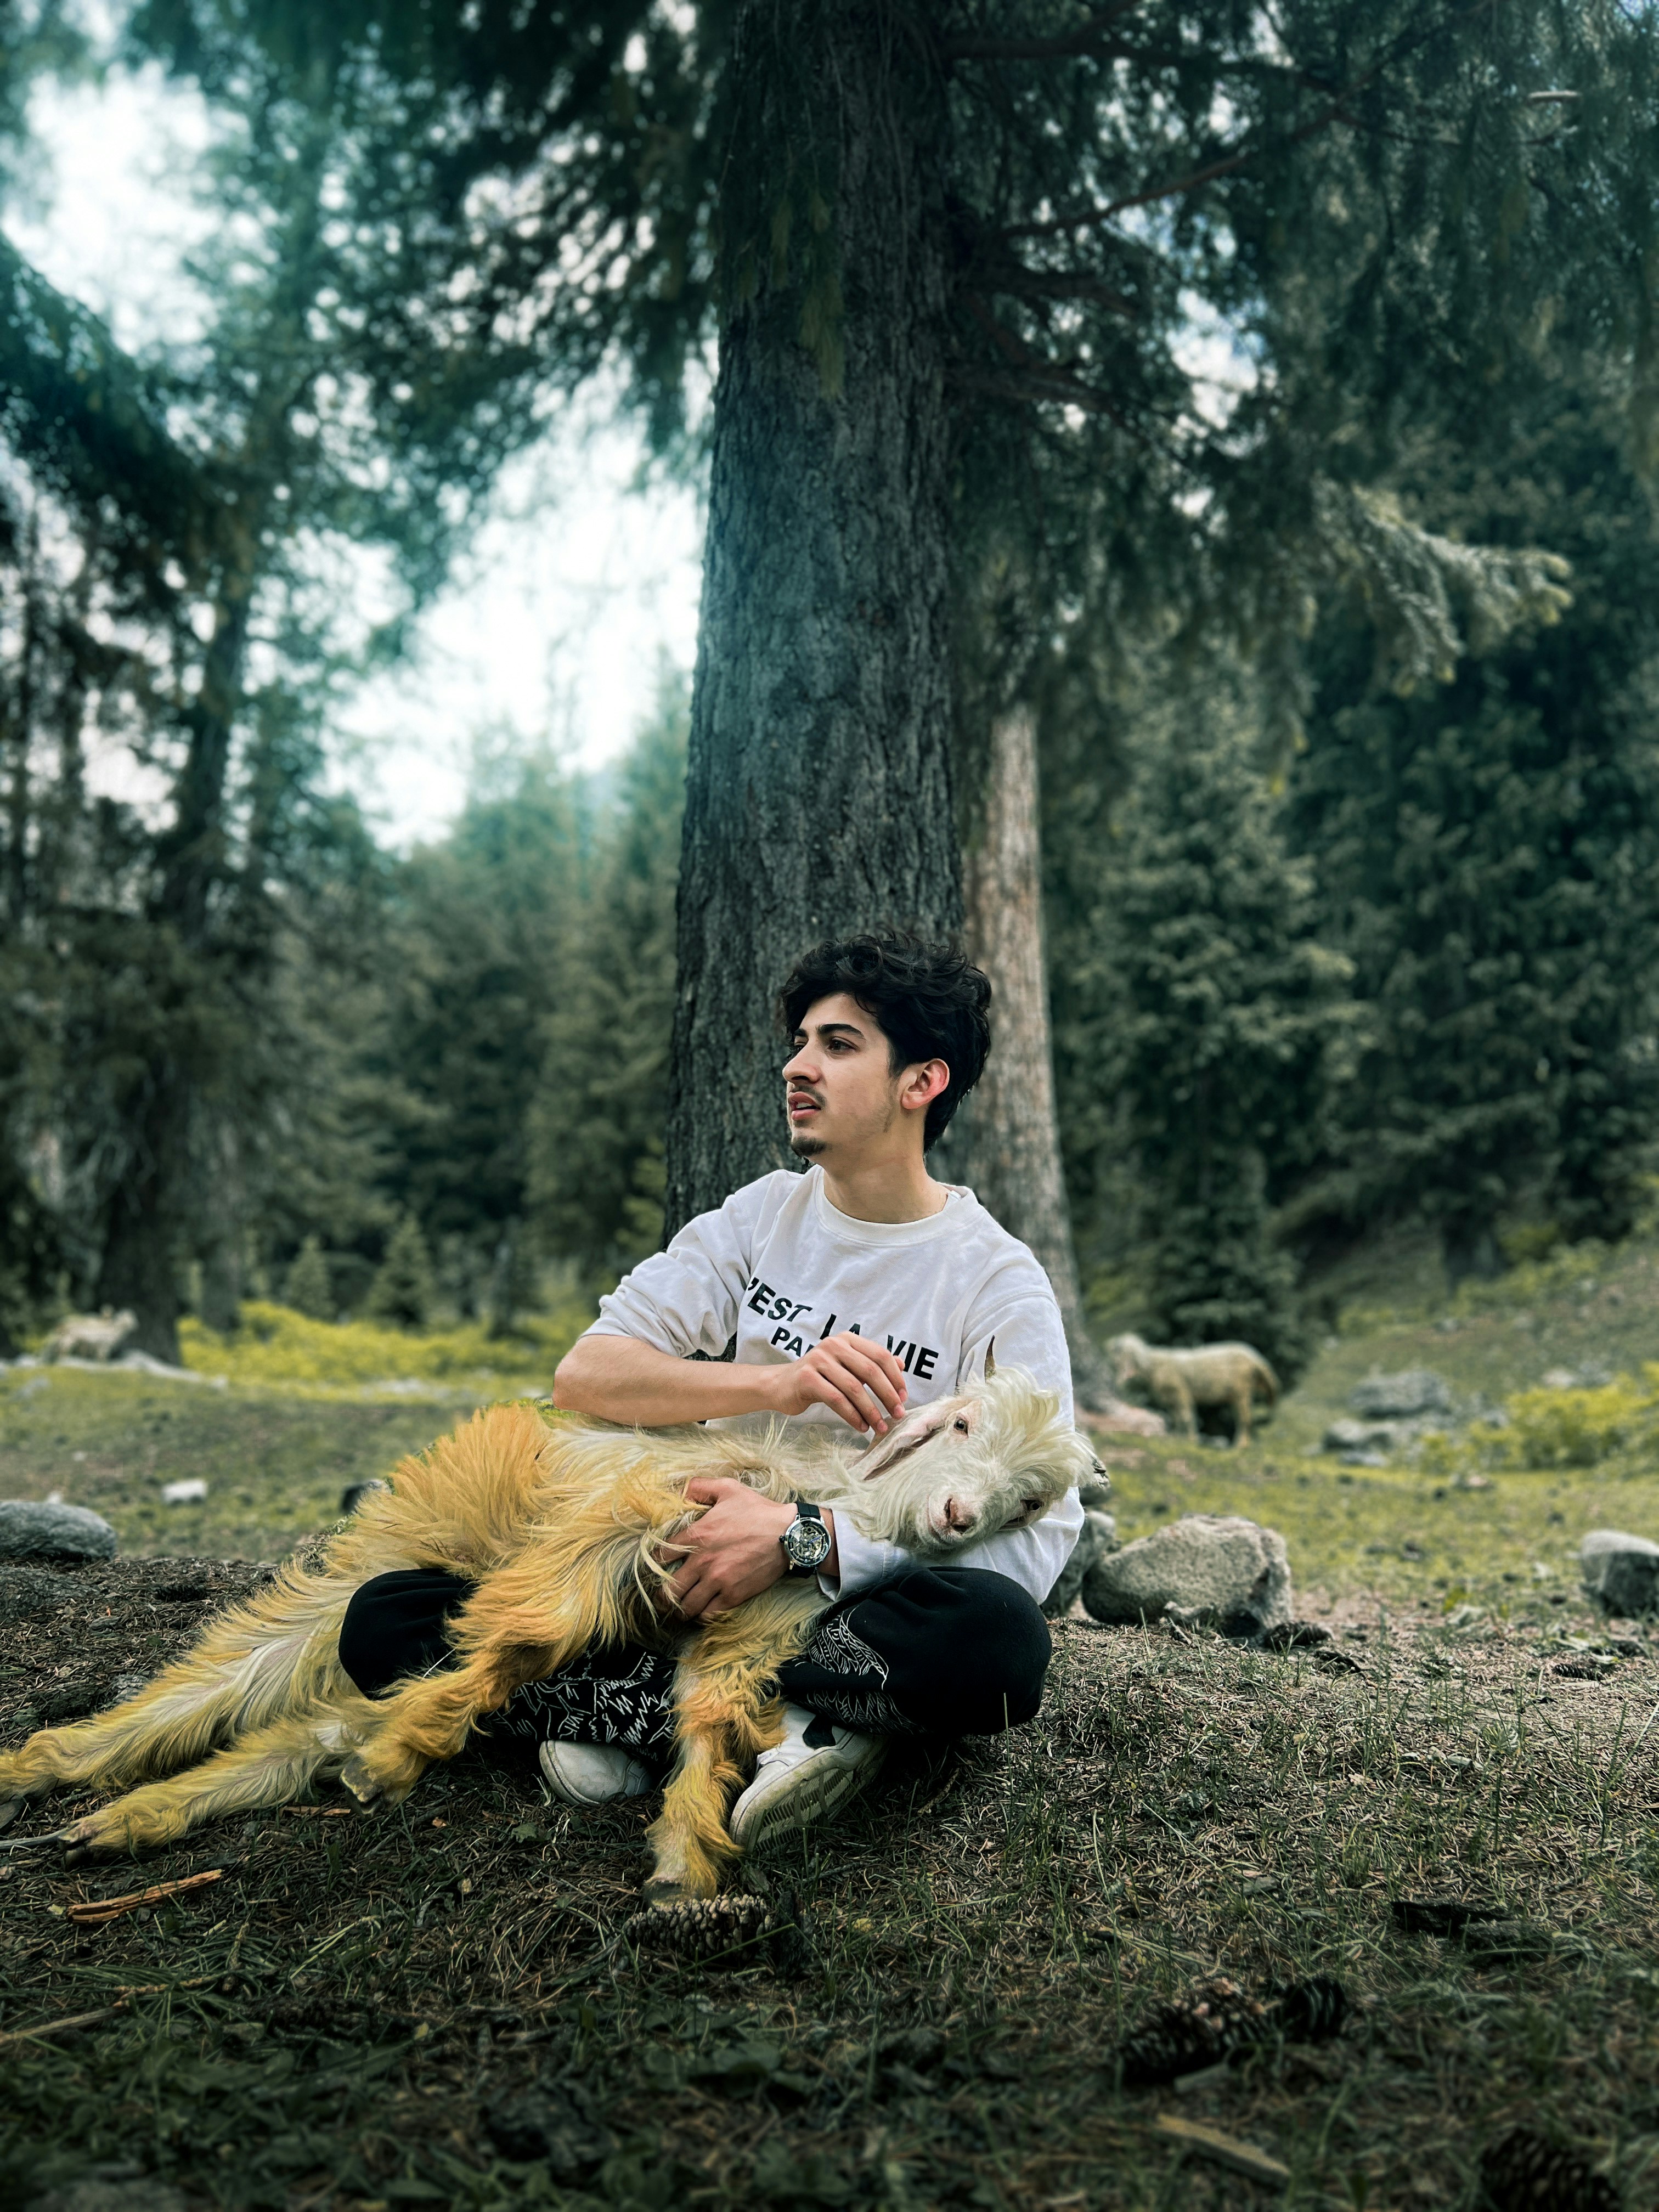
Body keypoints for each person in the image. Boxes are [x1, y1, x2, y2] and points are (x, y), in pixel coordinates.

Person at [337, 931, 1082, 1850]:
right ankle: (794, 1724)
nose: (797, 1066)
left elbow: (1043, 1535)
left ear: (921, 1082)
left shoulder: (994, 1281)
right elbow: (587, 1375)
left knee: (996, 1645)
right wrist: (778, 1381)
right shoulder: (761, 1216)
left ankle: (624, 1715)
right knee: (387, 1624)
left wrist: (808, 1542)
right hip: (671, 1574)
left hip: (830, 1606)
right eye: (800, 1043)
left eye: (838, 1045)